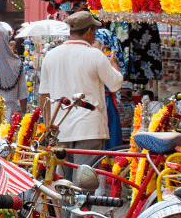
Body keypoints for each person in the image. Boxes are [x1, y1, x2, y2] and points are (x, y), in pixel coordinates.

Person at [37, 11, 123, 179]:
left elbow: (43, 96)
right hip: (89, 129)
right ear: (89, 31)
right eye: (94, 31)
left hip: (60, 128)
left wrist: (48, 126)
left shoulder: (51, 55)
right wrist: (114, 65)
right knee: (84, 183)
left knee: (62, 182)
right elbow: (115, 84)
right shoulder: (95, 55)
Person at [94, 27, 126, 149]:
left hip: (105, 100)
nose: (92, 44)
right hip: (106, 100)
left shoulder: (105, 59)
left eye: (95, 41)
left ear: (103, 44)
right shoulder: (104, 57)